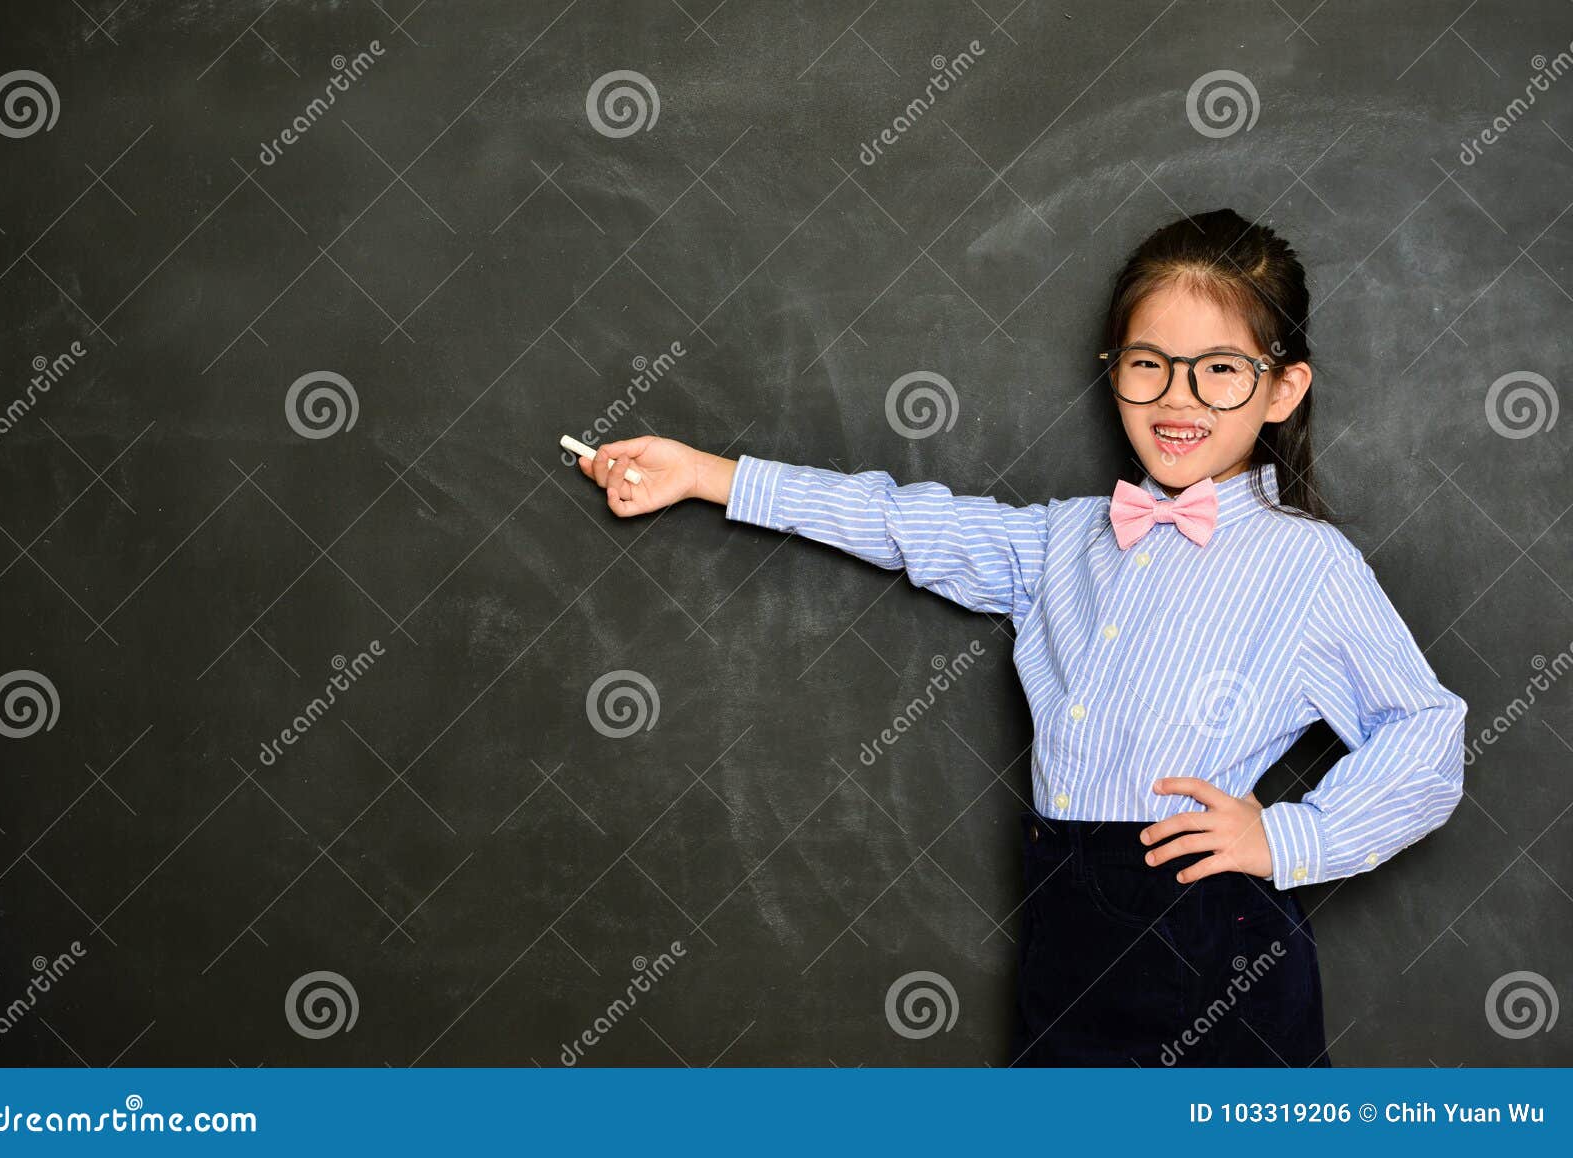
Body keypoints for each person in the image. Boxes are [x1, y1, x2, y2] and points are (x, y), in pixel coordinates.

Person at [573, 208, 1467, 1067]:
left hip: (1210, 936)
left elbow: (1424, 732)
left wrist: (1292, 838)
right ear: (1113, 367)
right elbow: (900, 523)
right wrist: (706, 474)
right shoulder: (1064, 539)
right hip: (1065, 923)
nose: (1177, 397)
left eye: (1221, 369)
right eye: (1148, 363)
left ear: (1282, 388)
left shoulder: (1305, 564)